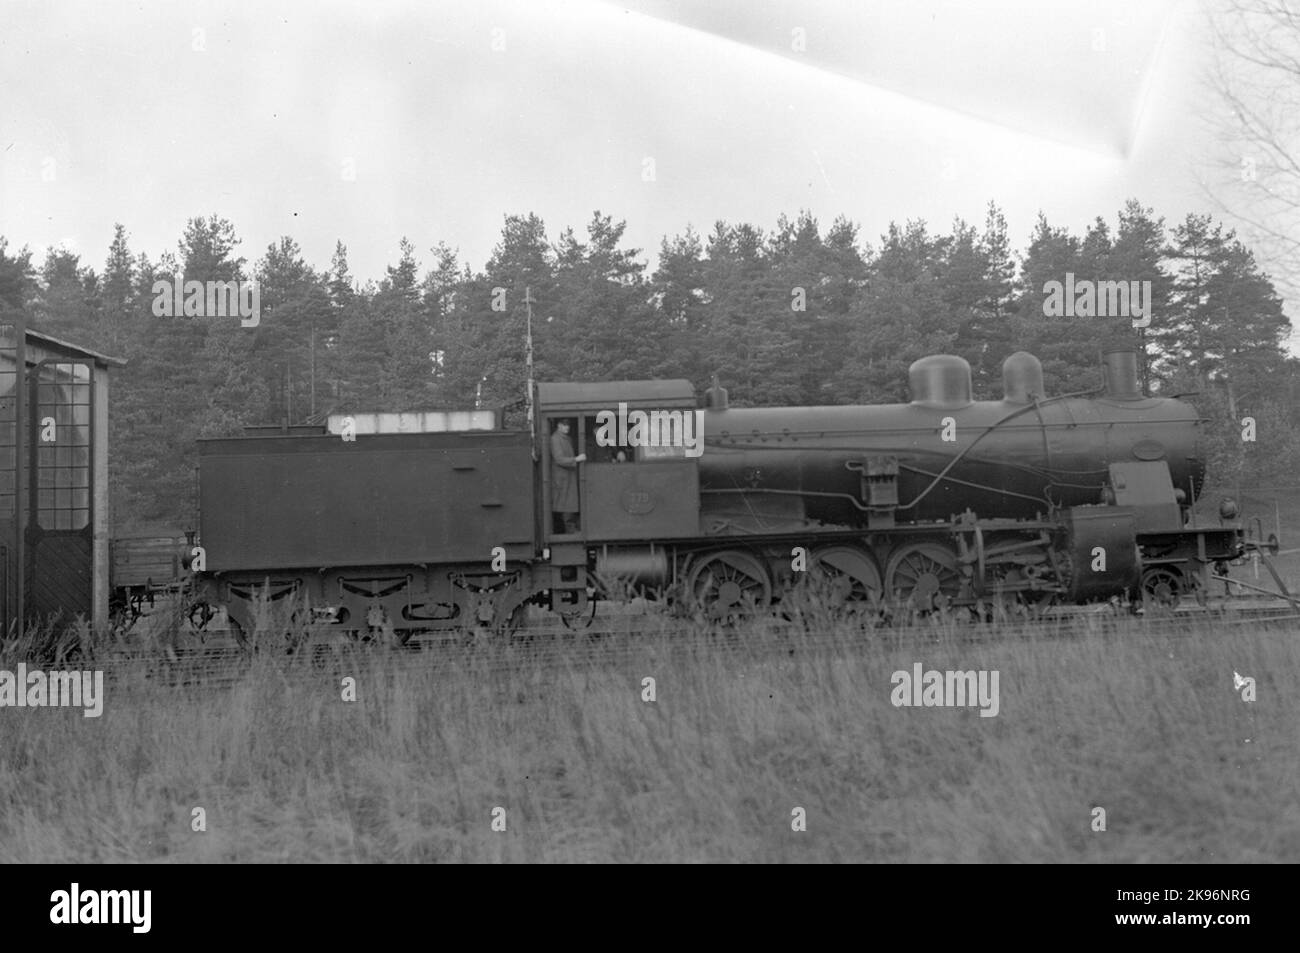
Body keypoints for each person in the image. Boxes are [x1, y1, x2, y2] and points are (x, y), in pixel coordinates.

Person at [550, 419, 585, 533]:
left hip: (567, 476)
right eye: (565, 425)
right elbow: (559, 459)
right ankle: (569, 530)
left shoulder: (565, 438)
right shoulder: (555, 439)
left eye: (568, 425)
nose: (567, 427)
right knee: (566, 505)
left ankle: (570, 529)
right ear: (559, 425)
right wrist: (576, 459)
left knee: (567, 504)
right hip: (562, 477)